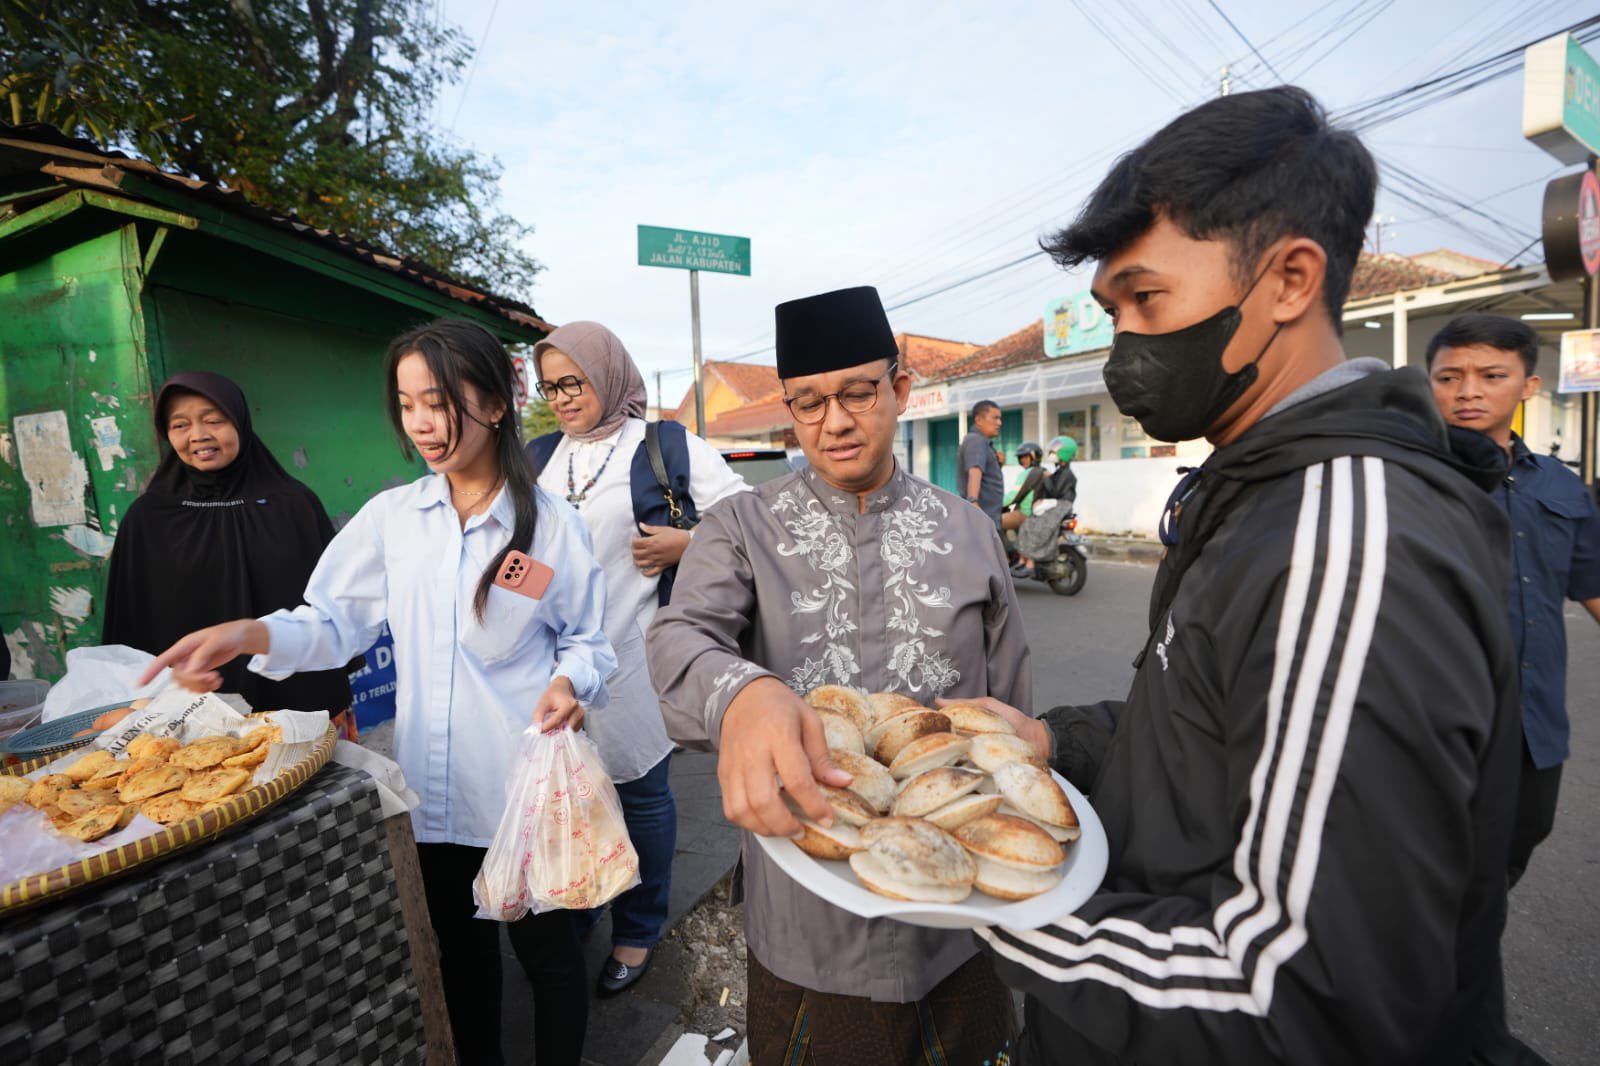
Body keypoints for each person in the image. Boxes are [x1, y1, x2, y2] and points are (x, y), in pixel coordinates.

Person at [955, 87, 1522, 1065]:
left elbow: (1303, 991)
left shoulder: (1344, 539)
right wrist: (1058, 740)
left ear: (1289, 280)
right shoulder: (1260, 491)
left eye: (1146, 299)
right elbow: (1219, 735)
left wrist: (978, 887)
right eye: (1109, 311)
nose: (1124, 342)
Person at [138, 320, 616, 1066]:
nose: (421, 423)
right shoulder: (395, 521)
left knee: (549, 959)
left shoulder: (549, 528)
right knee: (462, 963)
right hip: (435, 799)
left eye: (439, 401)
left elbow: (589, 639)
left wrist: (570, 679)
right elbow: (331, 623)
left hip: (523, 793)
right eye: (406, 403)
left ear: (495, 404)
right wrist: (248, 635)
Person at [647, 285, 1031, 1064]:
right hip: (805, 916)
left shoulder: (969, 532)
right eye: (809, 402)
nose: (836, 421)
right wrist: (744, 693)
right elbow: (681, 638)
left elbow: (1011, 714)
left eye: (858, 392)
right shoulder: (739, 529)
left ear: (899, 389)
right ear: (789, 410)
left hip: (954, 919)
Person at [525, 320, 749, 996]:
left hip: (635, 648)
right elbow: (520, 555)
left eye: (575, 382)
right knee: (571, 789)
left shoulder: (663, 446)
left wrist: (688, 545)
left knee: (641, 794)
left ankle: (639, 925)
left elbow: (749, 520)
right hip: (555, 661)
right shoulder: (537, 455)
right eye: (550, 385)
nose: (562, 397)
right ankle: (588, 893)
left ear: (609, 375)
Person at [1427, 314, 1600, 1066]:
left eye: (1490, 376)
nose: (1469, 392)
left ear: (1528, 386)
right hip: (1440, 730)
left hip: (1536, 732)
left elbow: (1592, 587)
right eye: (1449, 377)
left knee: (1497, 873)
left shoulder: (1563, 488)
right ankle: (1461, 1033)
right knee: (1447, 884)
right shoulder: (1411, 477)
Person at [103, 371, 355, 735]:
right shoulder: (148, 519)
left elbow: (333, 610)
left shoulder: (294, 505)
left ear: (239, 421)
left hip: (301, 703)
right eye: (180, 425)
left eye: (213, 420)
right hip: (191, 715)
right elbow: (131, 627)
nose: (198, 435)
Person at [960, 399, 1004, 527]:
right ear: (979, 420)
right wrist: (973, 501)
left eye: (1000, 419)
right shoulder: (976, 441)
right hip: (982, 518)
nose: (999, 423)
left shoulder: (982, 442)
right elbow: (975, 471)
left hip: (988, 517)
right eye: (995, 418)